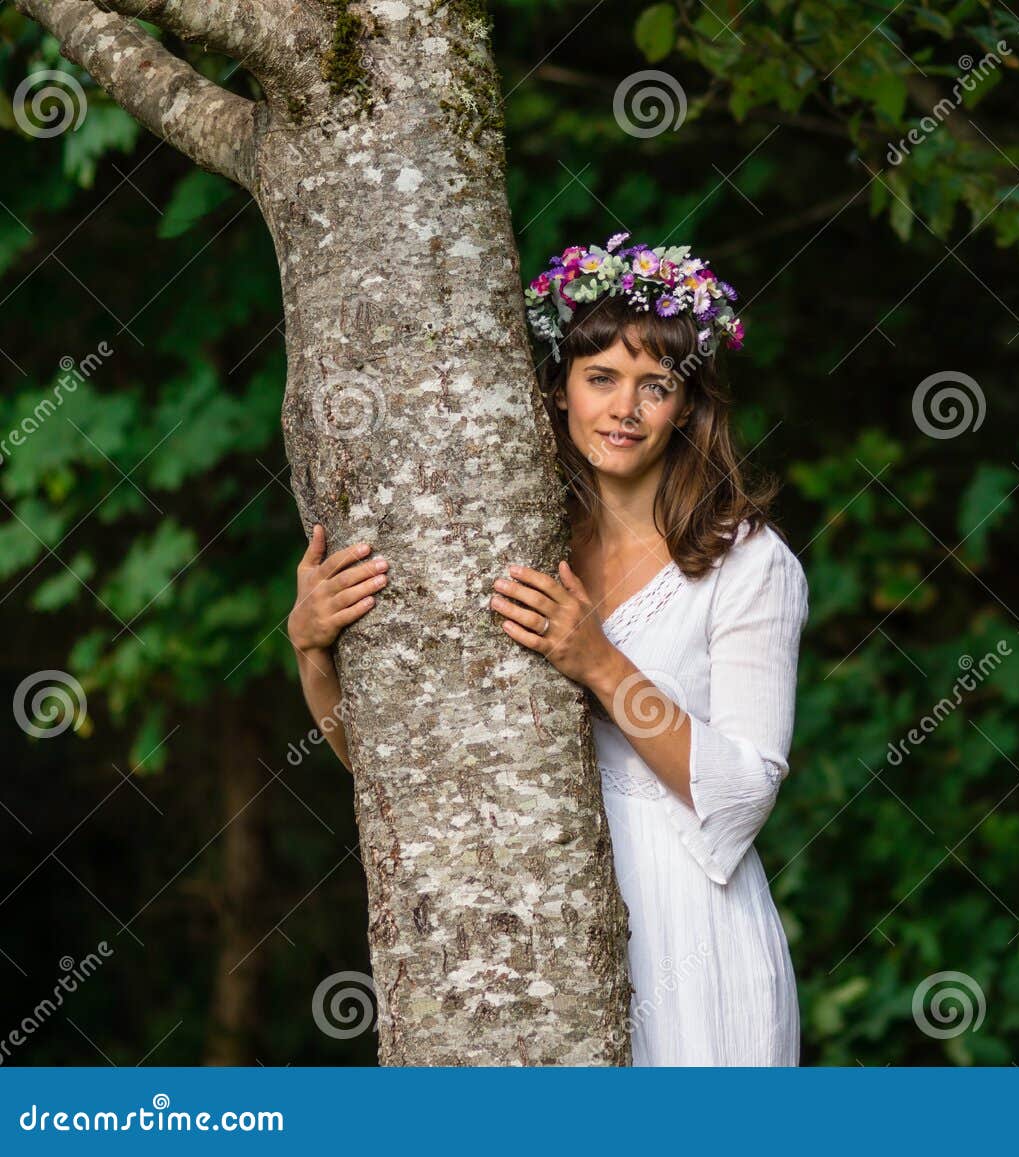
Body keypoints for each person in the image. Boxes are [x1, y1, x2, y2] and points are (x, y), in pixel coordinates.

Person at [286, 233, 807, 1066]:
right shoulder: (516, 543)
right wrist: (313, 651)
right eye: (600, 377)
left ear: (688, 406)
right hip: (533, 936)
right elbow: (397, 774)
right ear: (559, 391)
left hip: (690, 933)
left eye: (655, 386)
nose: (624, 409)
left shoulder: (747, 562)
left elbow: (743, 794)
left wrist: (598, 660)